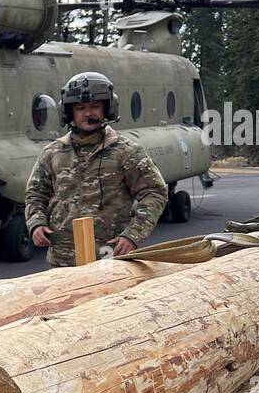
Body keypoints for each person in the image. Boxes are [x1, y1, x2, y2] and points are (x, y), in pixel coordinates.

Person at [25, 72, 168, 267]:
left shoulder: (126, 152)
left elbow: (155, 193)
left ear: (107, 108)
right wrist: (37, 224)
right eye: (80, 107)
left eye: (95, 106)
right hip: (63, 260)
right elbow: (35, 193)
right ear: (69, 112)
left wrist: (133, 235)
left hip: (110, 257)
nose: (88, 114)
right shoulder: (53, 153)